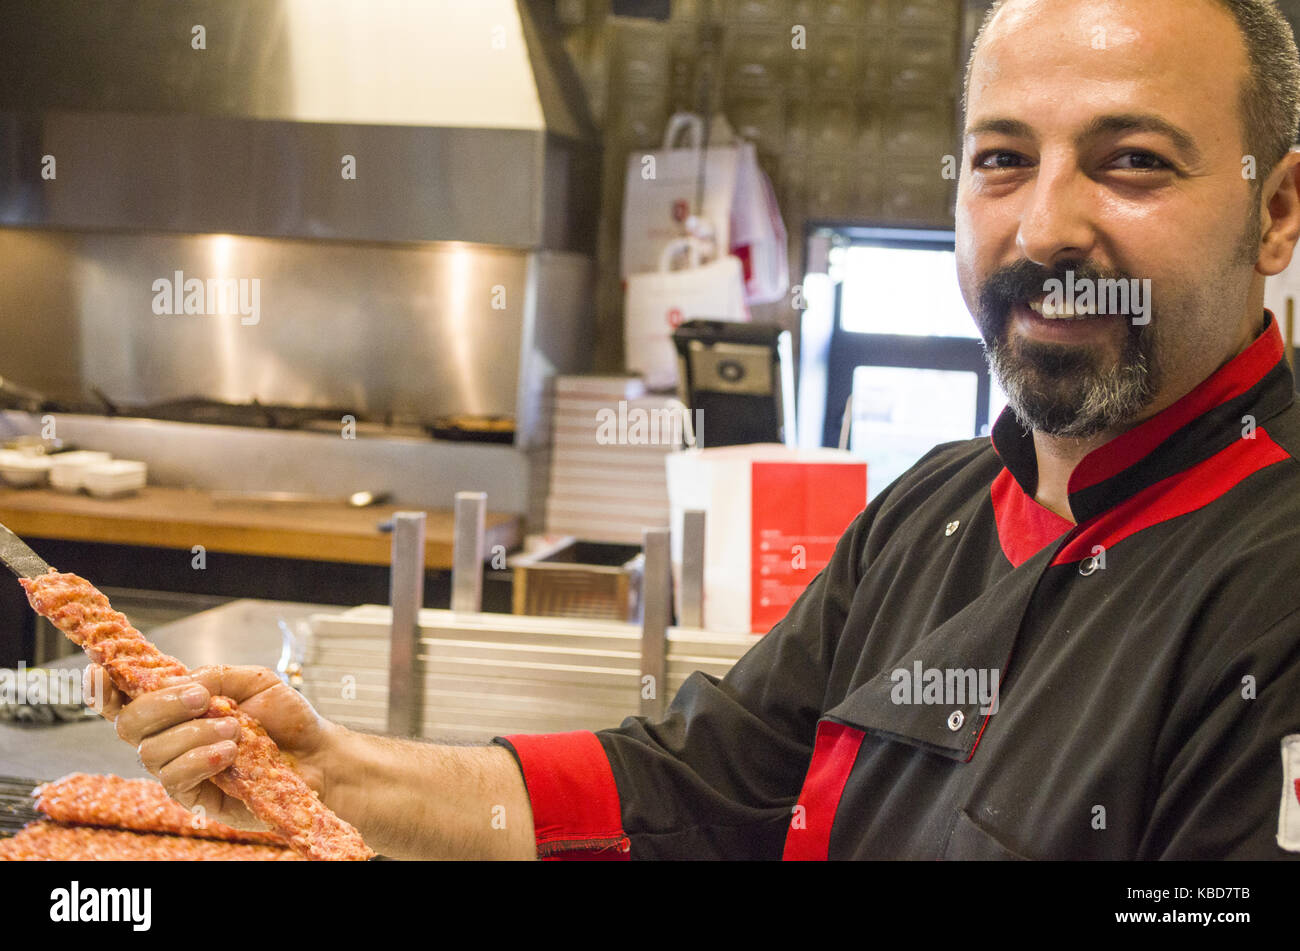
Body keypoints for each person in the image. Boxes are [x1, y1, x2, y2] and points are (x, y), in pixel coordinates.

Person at [88, 0, 1300, 859]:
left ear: (1276, 209)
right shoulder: (930, 513)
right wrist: (332, 775)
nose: (1044, 230)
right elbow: (700, 784)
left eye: (1131, 162)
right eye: (999, 160)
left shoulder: (1271, 580)